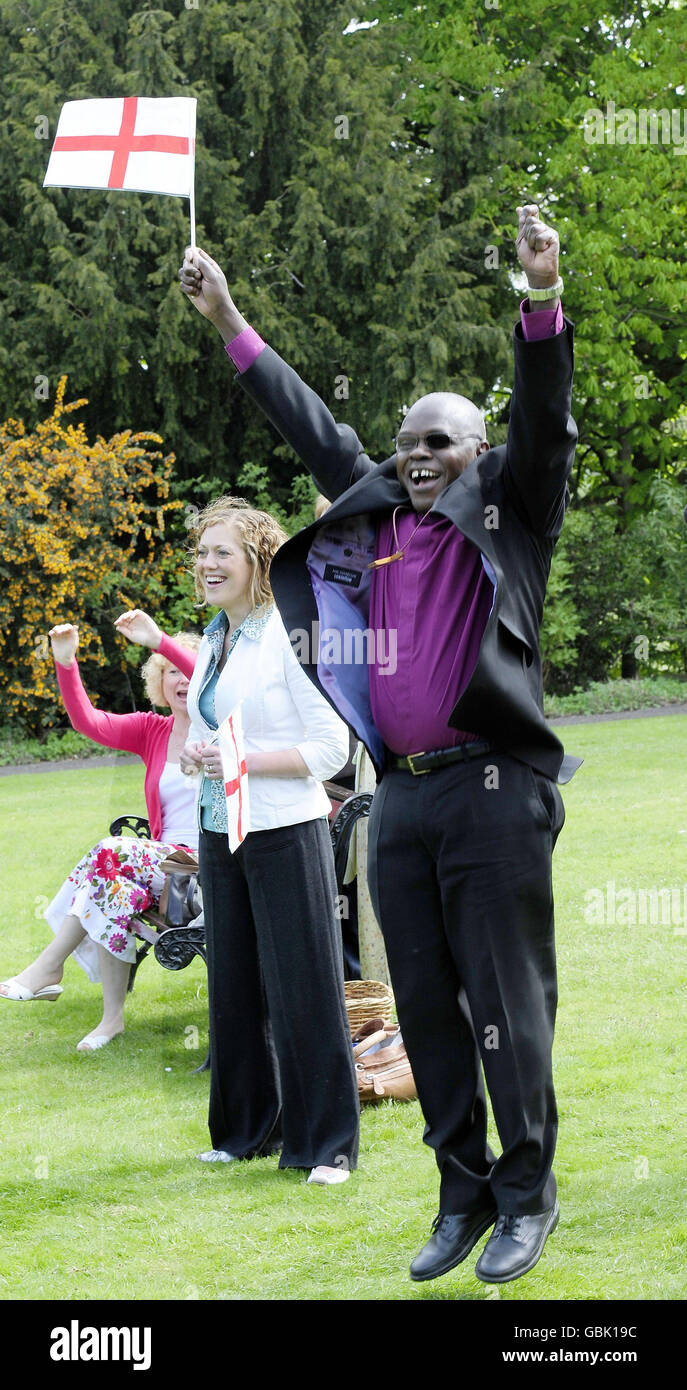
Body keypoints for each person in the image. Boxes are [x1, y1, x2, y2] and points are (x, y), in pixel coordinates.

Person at [179, 204, 579, 1280]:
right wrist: (230, 320)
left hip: (495, 792)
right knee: (431, 1013)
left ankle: (528, 1195)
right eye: (404, 444)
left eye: (435, 443)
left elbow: (547, 419)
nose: (414, 458)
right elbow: (314, 426)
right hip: (400, 799)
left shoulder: (512, 514)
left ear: (476, 453)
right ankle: (461, 1195)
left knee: (506, 1002)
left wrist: (539, 303)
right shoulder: (377, 520)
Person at [180, 496, 360, 1186]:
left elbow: (328, 748)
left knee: (303, 988)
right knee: (231, 985)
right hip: (218, 827)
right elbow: (215, 728)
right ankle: (243, 1130)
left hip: (285, 828)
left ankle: (327, 1146)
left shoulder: (291, 634)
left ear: (259, 560)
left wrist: (242, 760)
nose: (207, 563)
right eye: (201, 553)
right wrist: (203, 754)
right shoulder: (215, 638)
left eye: (221, 551)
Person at [0, 611, 200, 1053]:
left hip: (209, 869)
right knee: (111, 884)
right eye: (170, 672)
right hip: (165, 865)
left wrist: (167, 646)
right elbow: (89, 722)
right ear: (159, 684)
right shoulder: (153, 729)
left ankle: (50, 965)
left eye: (188, 668)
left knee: (111, 851)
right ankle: (111, 1020)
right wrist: (66, 661)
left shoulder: (226, 730)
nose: (181, 679)